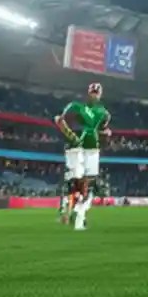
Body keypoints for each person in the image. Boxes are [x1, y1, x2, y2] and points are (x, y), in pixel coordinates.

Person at [53, 83, 111, 231]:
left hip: (87, 147)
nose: (94, 94)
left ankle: (73, 211)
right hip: (83, 148)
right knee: (79, 181)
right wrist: (72, 136)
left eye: (96, 92)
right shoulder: (81, 107)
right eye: (93, 92)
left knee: (80, 182)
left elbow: (59, 120)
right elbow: (59, 121)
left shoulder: (101, 112)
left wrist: (105, 134)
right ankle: (73, 212)